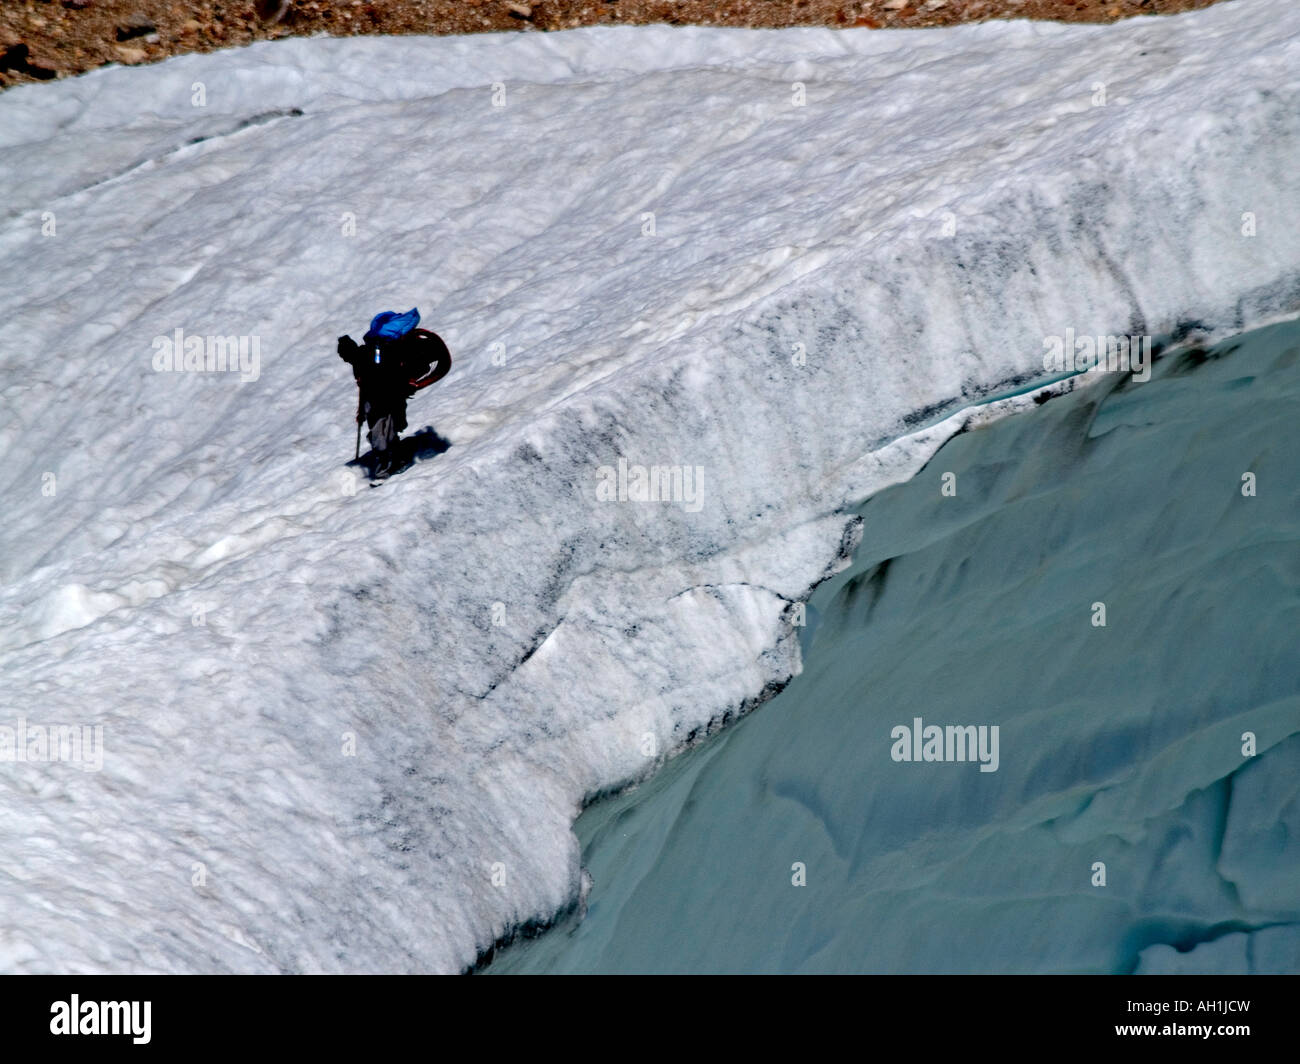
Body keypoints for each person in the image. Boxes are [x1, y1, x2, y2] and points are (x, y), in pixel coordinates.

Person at [337, 308, 450, 479]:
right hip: (388, 396)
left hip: (383, 398)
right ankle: (390, 458)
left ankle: (389, 465)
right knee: (385, 428)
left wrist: (351, 351)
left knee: (382, 429)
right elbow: (369, 368)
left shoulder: (376, 351)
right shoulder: (380, 350)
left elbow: (367, 367)